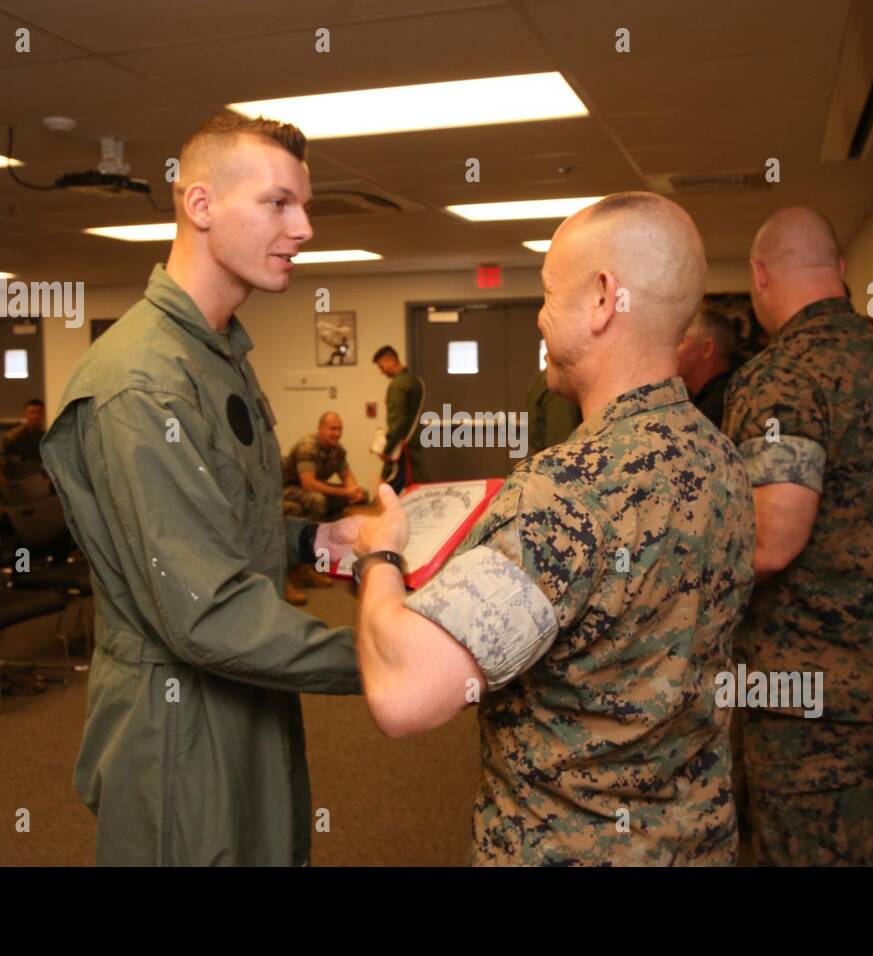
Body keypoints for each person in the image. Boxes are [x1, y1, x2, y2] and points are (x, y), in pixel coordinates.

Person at [352, 192, 755, 865]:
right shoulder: (724, 459)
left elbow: (404, 694)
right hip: (695, 845)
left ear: (602, 300)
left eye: (546, 292)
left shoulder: (566, 489)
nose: (540, 318)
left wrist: (380, 554)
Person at [40, 112, 363, 867]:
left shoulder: (214, 353)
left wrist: (314, 539)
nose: (305, 227)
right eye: (279, 203)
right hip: (182, 720)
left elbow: (221, 524)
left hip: (246, 686)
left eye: (305, 205)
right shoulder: (143, 381)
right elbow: (205, 611)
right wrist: (384, 660)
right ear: (201, 205)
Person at [721, 206, 873, 866]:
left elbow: (773, 541)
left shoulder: (784, 376)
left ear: (759, 277)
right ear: (840, 271)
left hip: (804, 691)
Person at [280, 411, 367, 603]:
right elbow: (308, 484)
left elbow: (347, 477)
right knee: (317, 500)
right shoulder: (308, 446)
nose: (336, 433)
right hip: (287, 489)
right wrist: (346, 492)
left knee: (362, 495)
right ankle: (308, 564)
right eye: (332, 428)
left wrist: (354, 491)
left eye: (339, 429)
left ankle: (330, 551)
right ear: (320, 429)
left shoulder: (337, 450)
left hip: (312, 490)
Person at [675, 308, 741, 429]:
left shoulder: (728, 403)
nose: (671, 349)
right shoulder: (689, 395)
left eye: (679, 341)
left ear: (707, 349)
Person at [371, 345, 425, 494]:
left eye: (382, 367)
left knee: (386, 492)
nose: (381, 372)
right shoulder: (416, 380)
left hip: (401, 448)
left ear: (391, 361)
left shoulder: (398, 385)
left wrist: (386, 449)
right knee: (415, 490)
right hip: (415, 445)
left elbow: (398, 422)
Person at [524, 367, 582, 456]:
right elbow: (560, 446)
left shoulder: (548, 378)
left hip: (547, 457)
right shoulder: (559, 381)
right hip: (557, 460)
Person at [2, 399, 47, 479]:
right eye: (32, 412)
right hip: (20, 478)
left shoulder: (45, 436)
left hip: (39, 477)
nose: (36, 416)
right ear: (25, 414)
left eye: (39, 412)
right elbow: (14, 465)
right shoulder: (13, 437)